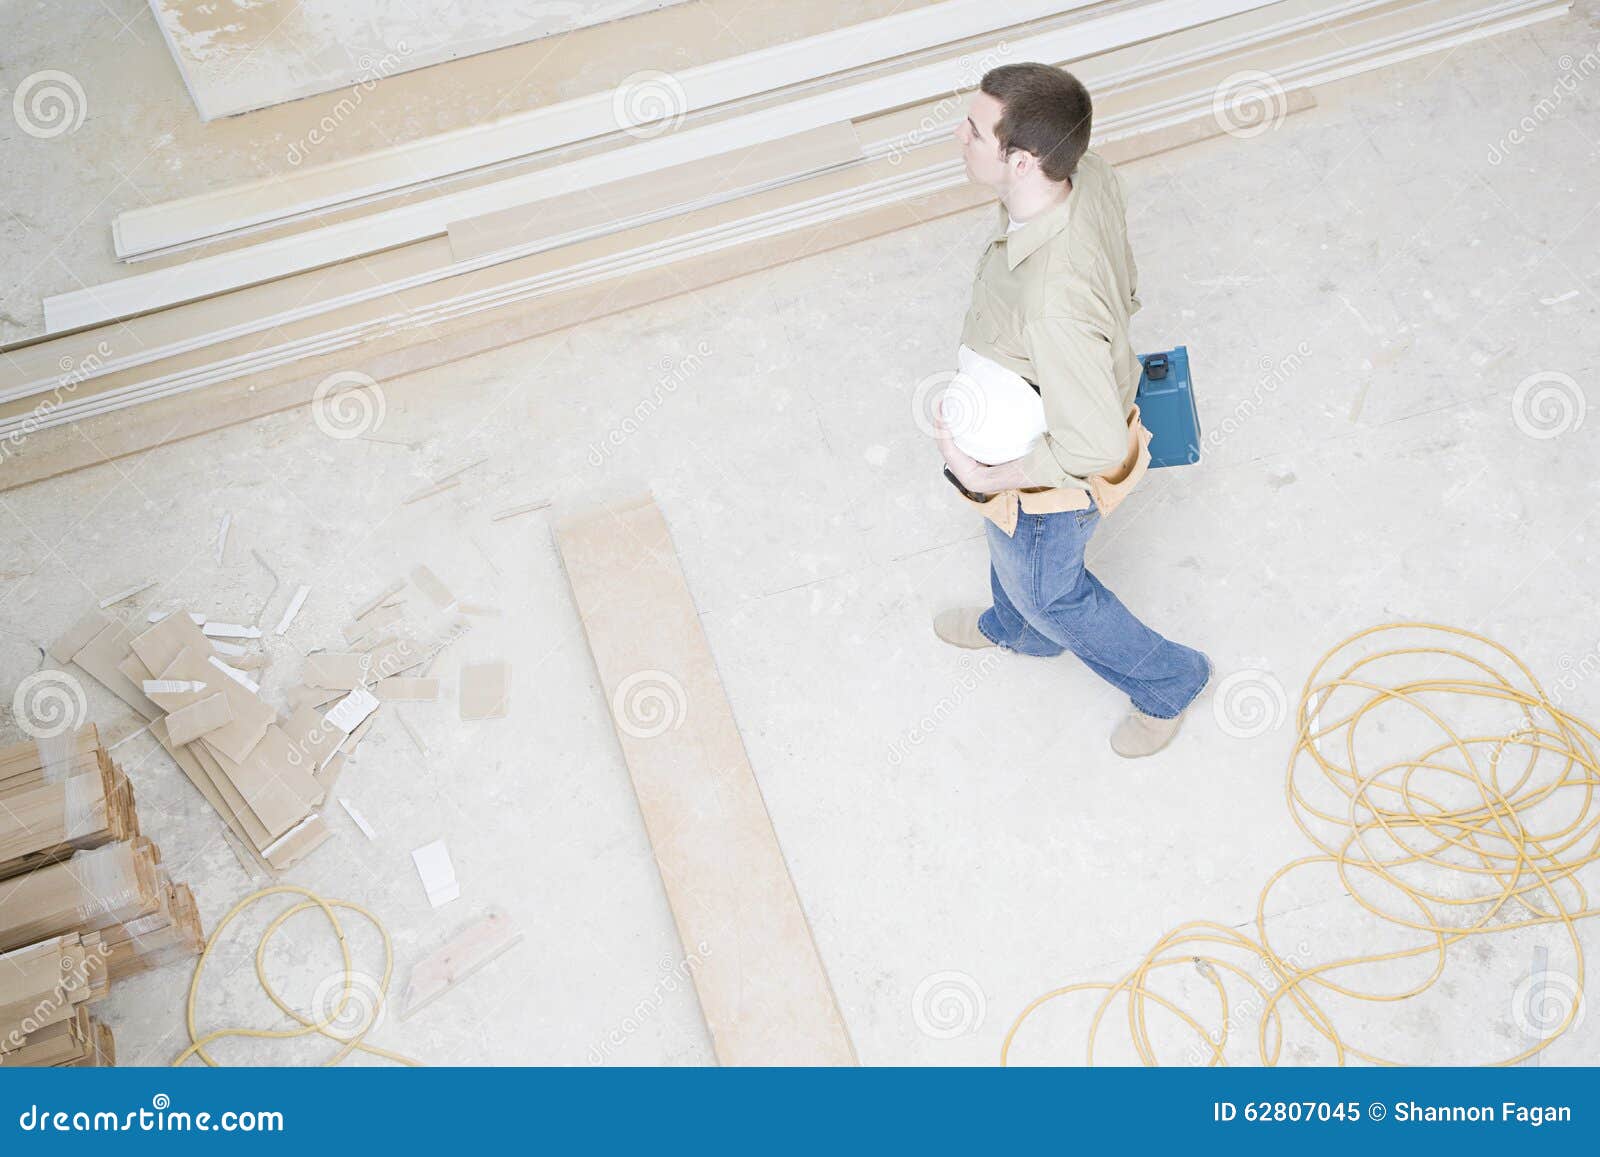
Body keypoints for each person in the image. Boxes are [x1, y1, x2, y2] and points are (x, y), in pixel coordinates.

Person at [932, 62, 1212, 758]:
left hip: (1047, 478)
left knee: (1050, 591)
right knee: (1016, 570)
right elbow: (1124, 278)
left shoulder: (1053, 301)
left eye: (973, 130)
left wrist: (991, 478)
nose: (958, 136)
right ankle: (1019, 629)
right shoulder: (1086, 174)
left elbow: (1092, 450)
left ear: (1021, 160)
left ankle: (1169, 680)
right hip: (1051, 382)